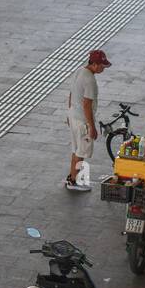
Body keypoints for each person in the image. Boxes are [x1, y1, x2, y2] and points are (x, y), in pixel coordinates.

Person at [65, 48, 111, 192]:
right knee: (81, 152)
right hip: (82, 122)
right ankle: (74, 182)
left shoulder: (79, 70)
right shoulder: (90, 80)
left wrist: (69, 113)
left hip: (73, 116)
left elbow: (72, 94)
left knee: (76, 150)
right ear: (95, 64)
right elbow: (87, 105)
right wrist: (92, 127)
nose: (104, 68)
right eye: (102, 66)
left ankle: (71, 177)